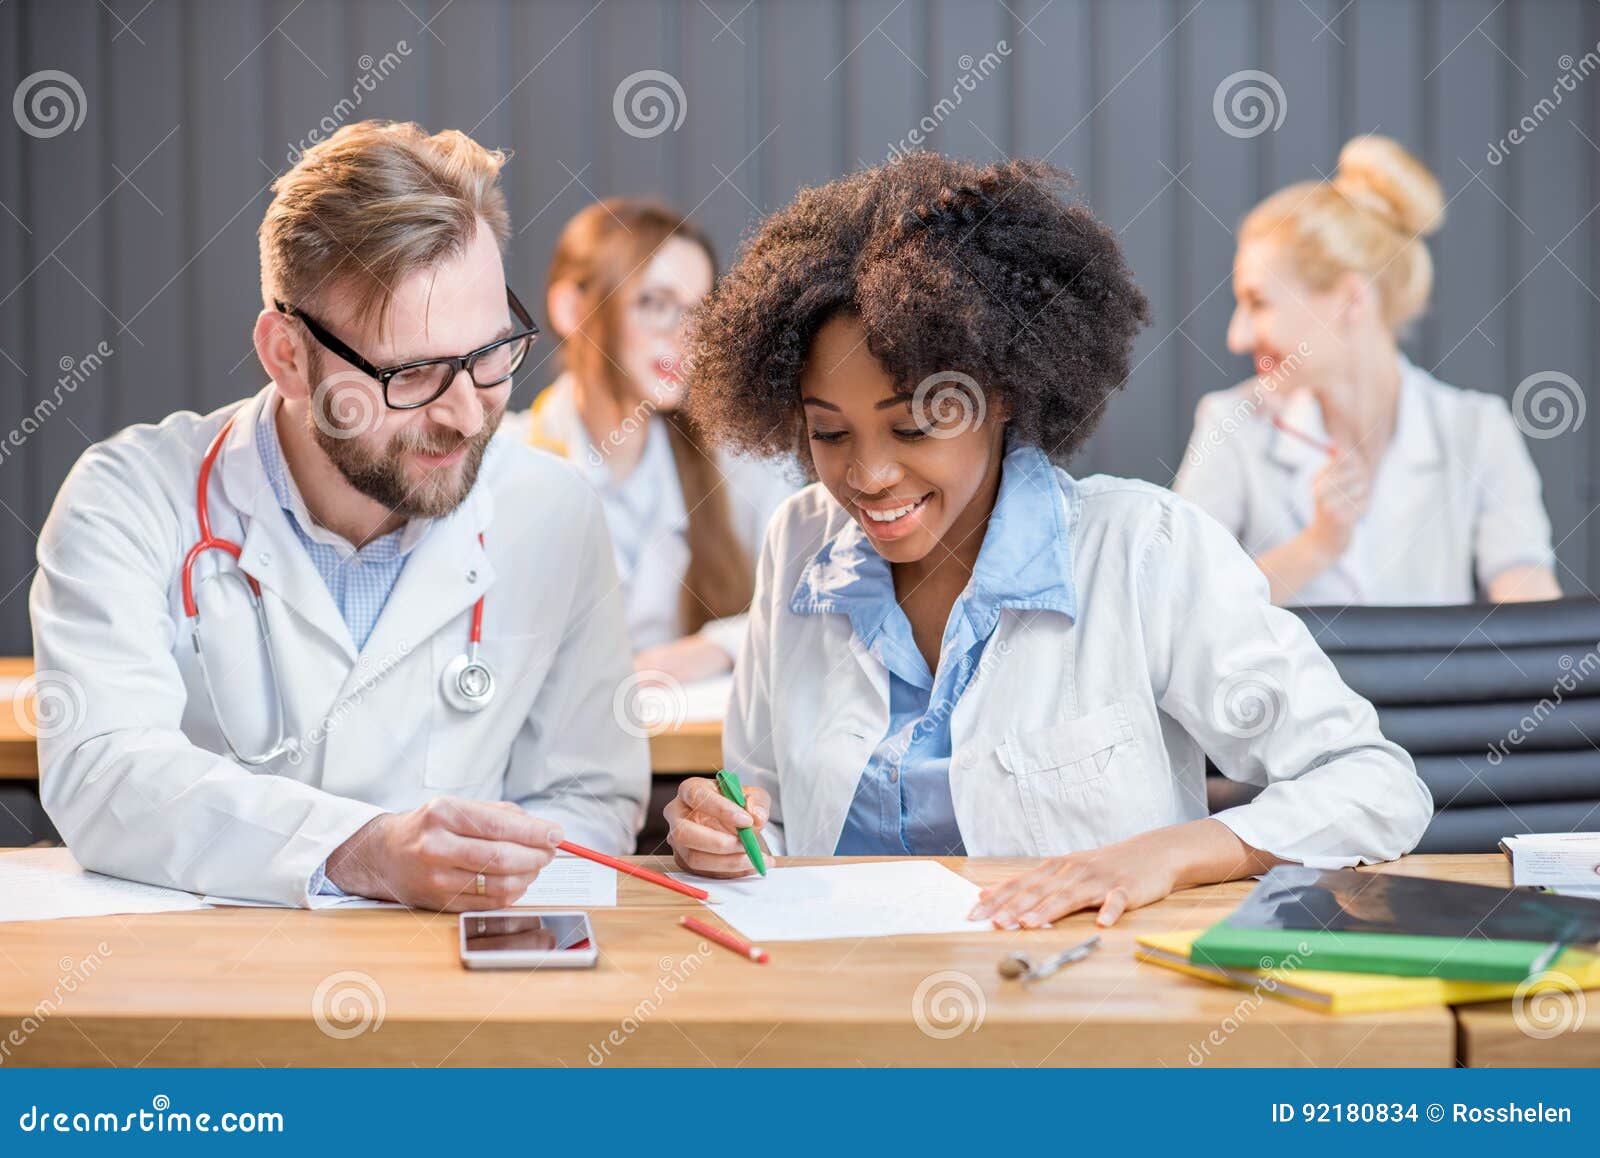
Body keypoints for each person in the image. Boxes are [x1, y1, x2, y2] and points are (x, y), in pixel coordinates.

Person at [663, 154, 1432, 929]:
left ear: (1003, 394)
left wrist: (1165, 854)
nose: (867, 473)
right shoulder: (800, 540)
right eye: (828, 432)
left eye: (913, 427)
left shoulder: (1142, 549)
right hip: (838, 1000)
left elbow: (1373, 785)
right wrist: (727, 832)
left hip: (1068, 1009)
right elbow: (769, 808)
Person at [30, 121, 648, 909]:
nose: (466, 414)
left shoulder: (553, 512)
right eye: (414, 373)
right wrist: (362, 854)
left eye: (491, 353)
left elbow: (589, 798)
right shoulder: (130, 498)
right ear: (288, 355)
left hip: (454, 993)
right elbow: (105, 770)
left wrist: (494, 882)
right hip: (206, 993)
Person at [1174, 134, 1560, 606]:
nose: (1237, 336)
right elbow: (1182, 607)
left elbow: (1534, 617)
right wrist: (1318, 545)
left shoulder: (1477, 430)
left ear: (1351, 300)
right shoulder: (1229, 424)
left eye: (1258, 302)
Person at [500, 200, 792, 684]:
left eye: (699, 314)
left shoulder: (735, 461)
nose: (686, 338)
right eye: (655, 304)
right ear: (571, 308)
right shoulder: (503, 463)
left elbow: (810, 601)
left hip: (698, 755)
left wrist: (707, 649)